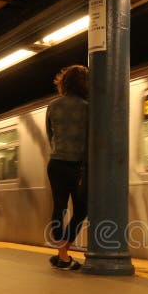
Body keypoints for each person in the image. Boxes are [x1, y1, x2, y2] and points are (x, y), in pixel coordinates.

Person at [46, 65, 89, 270]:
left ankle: (62, 255)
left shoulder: (53, 106)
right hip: (77, 166)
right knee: (81, 209)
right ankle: (63, 253)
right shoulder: (88, 107)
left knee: (59, 207)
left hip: (56, 164)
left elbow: (50, 137)